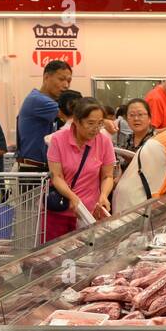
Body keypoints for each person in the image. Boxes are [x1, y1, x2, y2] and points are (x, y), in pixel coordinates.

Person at [44, 97, 115, 241]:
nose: (96, 129)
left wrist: (104, 195)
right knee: (55, 258)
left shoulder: (104, 141)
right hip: (60, 210)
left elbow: (107, 176)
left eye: (100, 123)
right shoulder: (58, 139)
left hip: (89, 214)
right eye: (90, 123)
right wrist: (72, 197)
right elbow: (56, 176)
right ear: (76, 121)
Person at [14, 60, 71, 174]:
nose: (66, 85)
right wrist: (103, 121)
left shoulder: (48, 101)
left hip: (42, 169)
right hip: (33, 171)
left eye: (69, 81)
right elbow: (76, 117)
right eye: (61, 79)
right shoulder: (38, 100)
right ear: (46, 77)